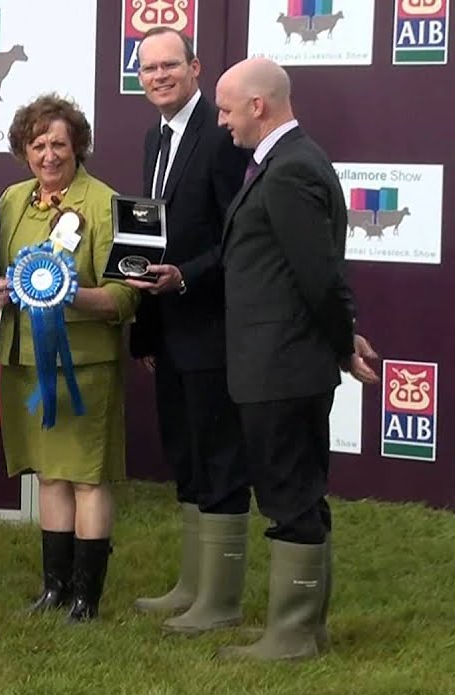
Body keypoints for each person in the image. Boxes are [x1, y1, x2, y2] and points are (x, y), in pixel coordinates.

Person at [206, 57, 377, 661]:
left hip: (282, 364)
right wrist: (343, 335)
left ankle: (294, 634)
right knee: (294, 488)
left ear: (259, 105)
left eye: (226, 109)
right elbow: (322, 269)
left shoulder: (289, 170)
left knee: (289, 493)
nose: (221, 121)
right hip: (278, 361)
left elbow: (318, 275)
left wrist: (340, 339)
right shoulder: (288, 162)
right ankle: (300, 628)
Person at [0, 93, 140, 623]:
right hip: (24, 358)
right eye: (38, 145)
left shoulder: (104, 202)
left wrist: (70, 293)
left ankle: (87, 598)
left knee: (85, 478)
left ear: (79, 147)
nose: (48, 155)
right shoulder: (12, 201)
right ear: (23, 151)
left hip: (83, 365)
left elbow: (126, 295)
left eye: (59, 144)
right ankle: (54, 589)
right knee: (49, 475)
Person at [123, 26, 253, 632]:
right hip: (169, 328)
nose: (157, 77)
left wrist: (187, 277)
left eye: (168, 65)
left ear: (196, 68)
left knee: (218, 454)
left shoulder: (223, 134)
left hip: (212, 322)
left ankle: (220, 601)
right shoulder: (155, 136)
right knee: (186, 452)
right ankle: (192, 585)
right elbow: (154, 231)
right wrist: (147, 312)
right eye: (147, 69)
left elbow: (240, 236)